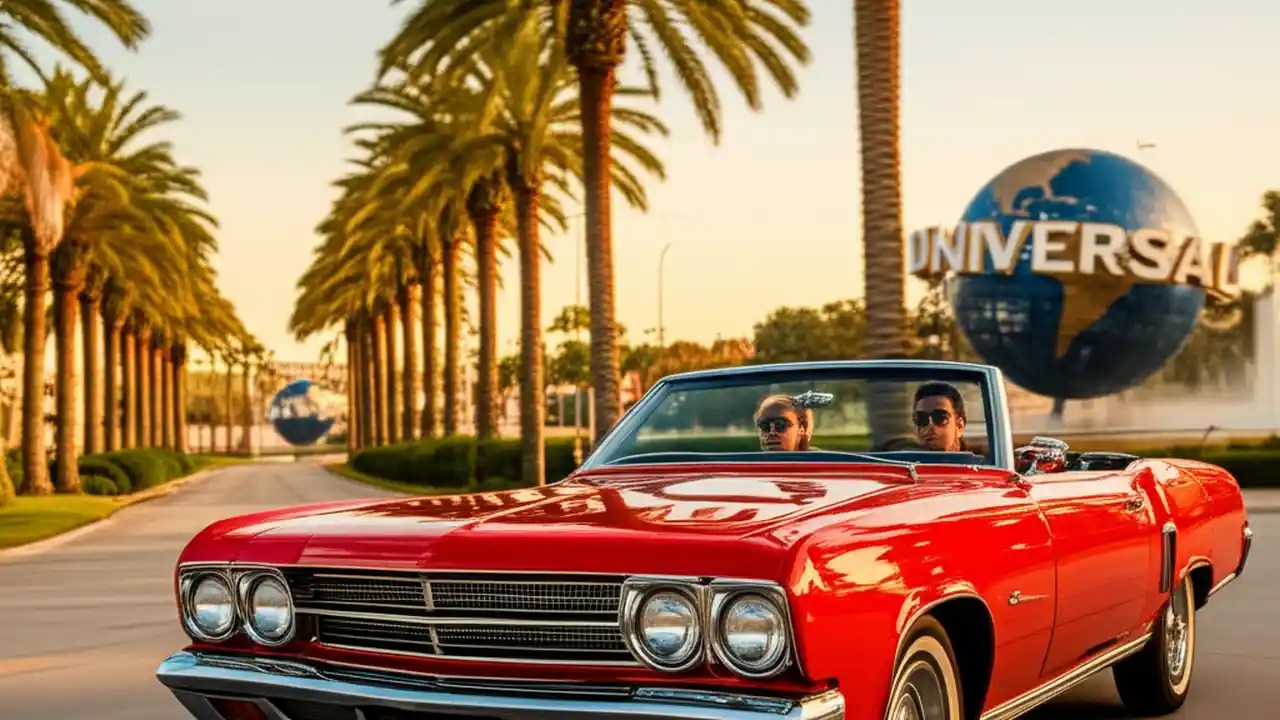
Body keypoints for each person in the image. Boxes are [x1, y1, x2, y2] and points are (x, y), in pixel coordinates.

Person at [912, 381, 966, 452]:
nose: (930, 425)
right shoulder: (900, 462)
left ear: (959, 426)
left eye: (940, 418)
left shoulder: (977, 462)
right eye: (921, 419)